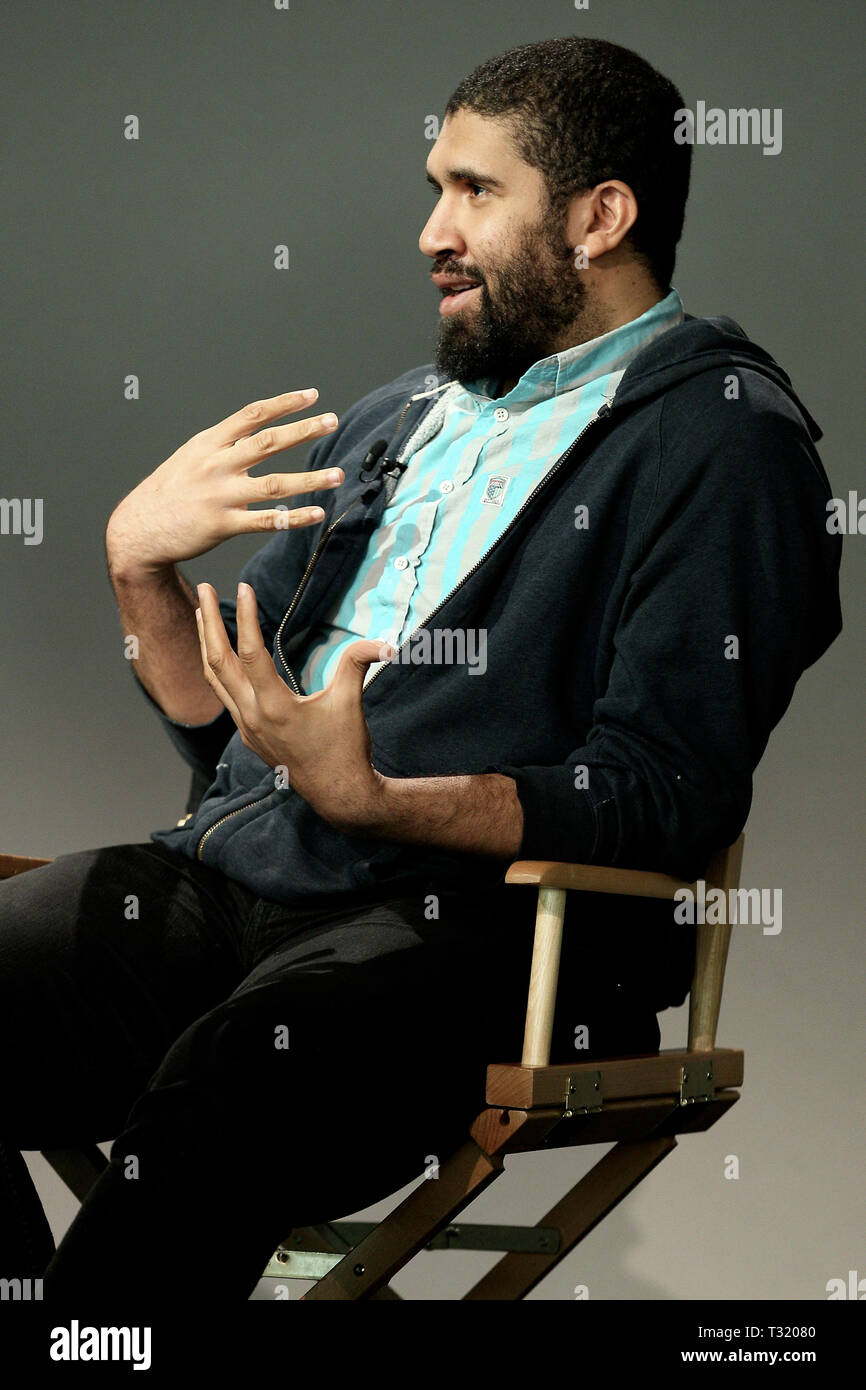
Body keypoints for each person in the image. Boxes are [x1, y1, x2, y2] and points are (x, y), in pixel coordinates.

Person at [0, 36, 842, 1302]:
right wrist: (137, 571)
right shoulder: (402, 419)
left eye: (472, 190)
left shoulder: (722, 443)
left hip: (482, 935)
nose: (428, 231)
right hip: (242, 881)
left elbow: (666, 794)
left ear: (597, 216)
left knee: (215, 1113)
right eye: (432, 187)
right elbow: (229, 720)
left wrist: (378, 800)